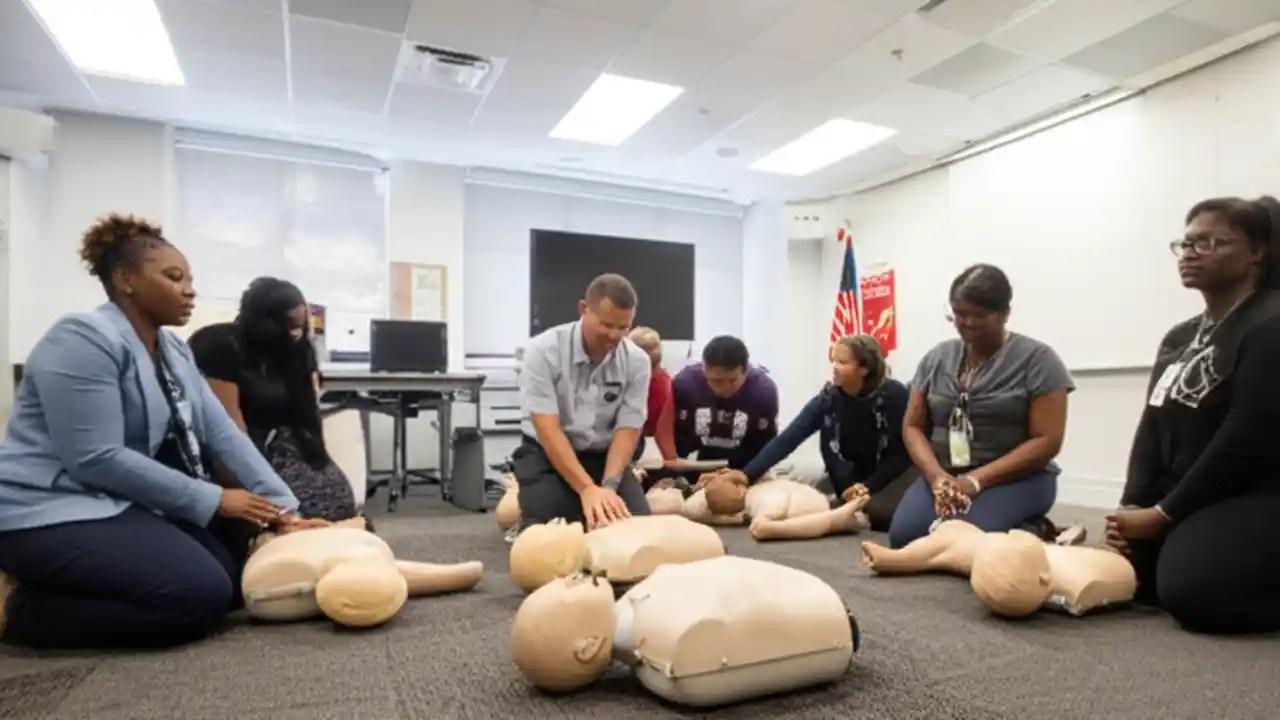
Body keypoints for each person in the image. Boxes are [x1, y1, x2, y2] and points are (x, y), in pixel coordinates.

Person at [0, 214, 318, 650]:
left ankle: (57, 588)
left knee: (227, 579)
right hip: (47, 508)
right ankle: (19, 610)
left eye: (190, 278)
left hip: (113, 502)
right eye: (174, 277)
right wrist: (215, 500)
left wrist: (284, 510)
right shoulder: (80, 340)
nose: (190, 290)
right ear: (125, 280)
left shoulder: (171, 350)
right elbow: (95, 457)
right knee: (194, 596)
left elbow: (221, 431)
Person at [1106, 195, 1280, 635]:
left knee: (1194, 593)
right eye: (1185, 243)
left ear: (1256, 252)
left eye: (1209, 243)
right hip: (1188, 494)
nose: (1190, 253)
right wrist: (1131, 507)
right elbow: (1151, 428)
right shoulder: (1179, 337)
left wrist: (1162, 515)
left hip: (1254, 491)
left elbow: (1246, 435)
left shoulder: (1270, 322)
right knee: (1136, 579)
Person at [891, 264, 1073, 549]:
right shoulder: (936, 358)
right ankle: (1010, 528)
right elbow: (913, 426)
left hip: (1014, 479)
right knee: (904, 536)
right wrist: (936, 476)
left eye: (980, 316)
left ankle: (1033, 528)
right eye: (960, 314)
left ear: (1004, 314)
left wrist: (976, 481)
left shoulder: (1038, 361)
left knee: (962, 540)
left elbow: (1047, 440)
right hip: (947, 475)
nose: (969, 323)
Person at [188, 277, 360, 524]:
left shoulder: (298, 350)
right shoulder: (221, 346)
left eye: (301, 324)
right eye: (288, 324)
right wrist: (257, 489)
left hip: (290, 444)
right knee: (311, 513)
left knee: (338, 505)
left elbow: (307, 413)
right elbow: (228, 433)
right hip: (253, 451)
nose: (296, 332)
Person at [723, 334, 915, 531]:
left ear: (864, 369)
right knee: (801, 500)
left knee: (883, 517)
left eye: (842, 362)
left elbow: (901, 455)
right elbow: (788, 438)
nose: (834, 367)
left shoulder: (895, 397)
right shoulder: (828, 400)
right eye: (832, 360)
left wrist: (868, 487)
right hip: (847, 482)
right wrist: (746, 475)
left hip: (888, 478)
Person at [514, 273, 652, 530]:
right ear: (583, 309)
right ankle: (525, 505)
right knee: (553, 524)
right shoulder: (542, 351)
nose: (615, 336)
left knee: (634, 524)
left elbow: (627, 431)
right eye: (607, 325)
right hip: (546, 453)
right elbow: (548, 430)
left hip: (602, 454)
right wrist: (587, 489)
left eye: (623, 328)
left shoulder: (637, 361)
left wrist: (608, 488)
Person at [670, 335, 778, 470]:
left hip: (745, 467)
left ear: (745, 371)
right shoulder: (684, 385)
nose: (724, 388)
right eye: (716, 381)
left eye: (733, 380)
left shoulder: (763, 391)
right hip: (694, 465)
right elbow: (674, 439)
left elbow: (764, 446)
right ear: (704, 370)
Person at [627, 326, 676, 462]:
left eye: (655, 364)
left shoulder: (662, 383)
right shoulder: (626, 382)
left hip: (653, 447)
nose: (651, 371)